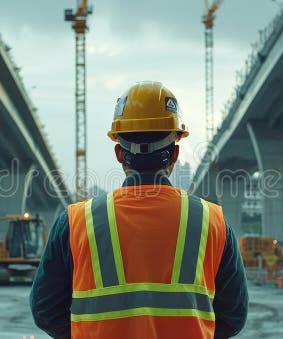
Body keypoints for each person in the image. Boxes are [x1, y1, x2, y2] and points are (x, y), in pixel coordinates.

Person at [30, 82, 248, 338]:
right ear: (175, 153)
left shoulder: (75, 222)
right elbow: (233, 316)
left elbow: (45, 311)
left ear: (119, 153)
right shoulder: (213, 222)